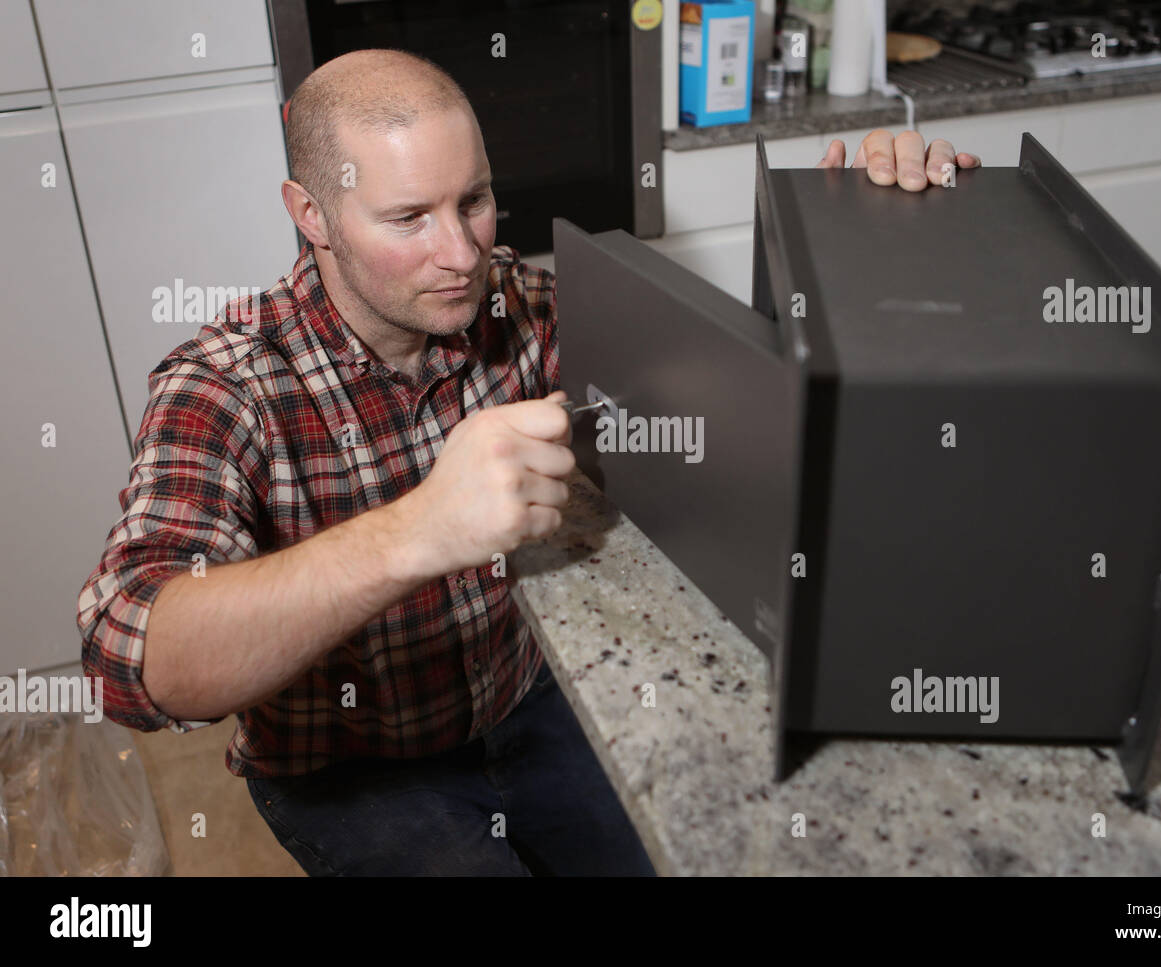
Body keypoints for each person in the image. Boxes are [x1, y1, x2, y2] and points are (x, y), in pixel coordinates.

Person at [77, 48, 981, 876]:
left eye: (473, 200)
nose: (462, 255)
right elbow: (132, 653)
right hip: (359, 776)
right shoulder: (227, 385)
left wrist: (855, 233)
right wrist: (416, 531)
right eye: (408, 218)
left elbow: (738, 407)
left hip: (532, 705)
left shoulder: (513, 303)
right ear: (310, 213)